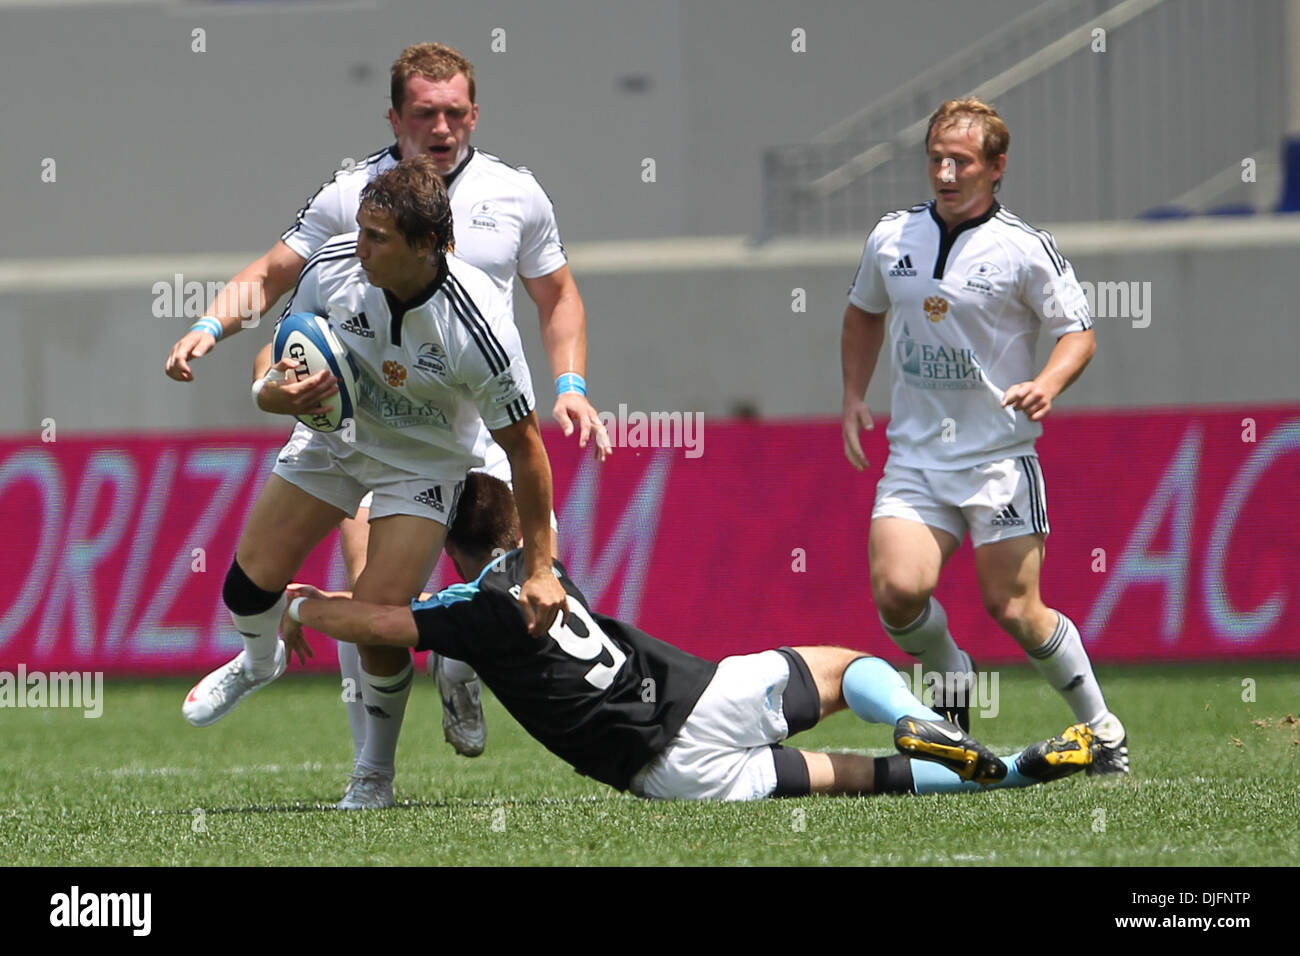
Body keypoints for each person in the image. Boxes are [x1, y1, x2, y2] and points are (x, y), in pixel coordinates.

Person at [164, 43, 609, 761]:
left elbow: (557, 295)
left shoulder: (514, 196)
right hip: (360, 420)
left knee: (506, 588)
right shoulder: (351, 205)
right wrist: (214, 326)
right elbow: (281, 281)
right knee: (369, 603)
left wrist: (571, 385)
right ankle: (363, 767)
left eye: (456, 113)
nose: (442, 128)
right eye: (425, 113)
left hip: (469, 423)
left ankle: (459, 667)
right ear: (395, 116)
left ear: (474, 114)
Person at [279, 472, 1097, 802]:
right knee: (853, 668)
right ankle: (929, 723)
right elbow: (533, 506)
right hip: (700, 694)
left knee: (861, 779)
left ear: (447, 546)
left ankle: (1014, 773)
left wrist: (302, 606)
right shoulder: (552, 572)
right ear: (524, 530)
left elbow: (380, 621)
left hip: (663, 776)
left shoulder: (470, 612)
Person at [181, 156, 567, 810]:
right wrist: (270, 393)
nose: (358, 247)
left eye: (377, 238)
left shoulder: (479, 327)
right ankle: (258, 661)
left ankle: (374, 775)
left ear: (430, 248)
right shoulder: (334, 265)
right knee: (246, 590)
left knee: (376, 621)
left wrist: (541, 567)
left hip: (423, 464)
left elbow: (527, 451)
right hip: (336, 441)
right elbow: (282, 352)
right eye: (360, 230)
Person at [840, 97, 1127, 774]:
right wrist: (854, 394)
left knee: (1015, 607)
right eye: (936, 158)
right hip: (915, 458)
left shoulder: (1025, 249)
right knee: (898, 592)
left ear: (996, 167)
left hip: (997, 460)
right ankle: (952, 679)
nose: (944, 171)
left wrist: (1049, 384)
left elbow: (1078, 333)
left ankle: (1103, 729)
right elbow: (862, 315)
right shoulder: (891, 237)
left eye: (960, 161)